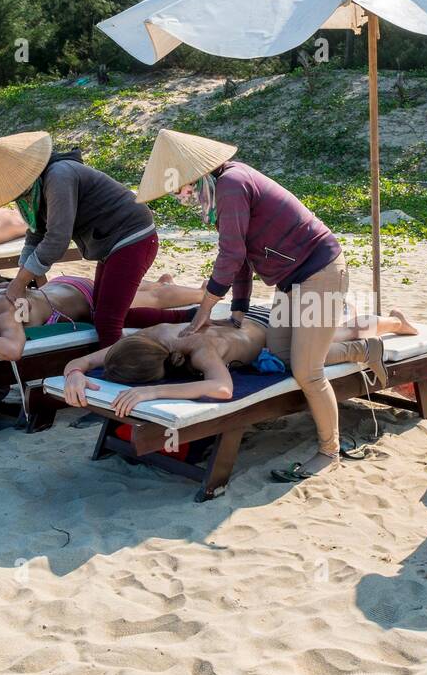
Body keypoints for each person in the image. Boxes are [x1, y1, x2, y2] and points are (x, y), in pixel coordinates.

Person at [134, 129, 370, 482]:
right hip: (291, 280)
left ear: (196, 175)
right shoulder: (221, 191)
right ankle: (362, 348)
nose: (181, 196)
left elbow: (230, 256)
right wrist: (238, 310)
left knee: (308, 371)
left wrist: (203, 313)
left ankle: (328, 451)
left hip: (320, 272)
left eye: (181, 187)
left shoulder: (231, 185)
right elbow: (241, 257)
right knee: (280, 356)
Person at [60, 304, 416, 419]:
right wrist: (74, 374)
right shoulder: (149, 338)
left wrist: (152, 393)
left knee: (342, 333)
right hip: (245, 319)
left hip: (274, 326)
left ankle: (395, 323)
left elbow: (222, 388)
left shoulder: (200, 349)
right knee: (337, 329)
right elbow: (85, 360)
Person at [0, 132, 157, 351]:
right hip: (110, 243)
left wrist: (20, 282)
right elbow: (36, 233)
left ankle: (115, 371)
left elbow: (57, 239)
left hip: (131, 236)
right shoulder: (35, 189)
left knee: (107, 322)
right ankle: (188, 316)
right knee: (103, 313)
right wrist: (22, 275)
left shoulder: (59, 177)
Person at [0, 274, 206, 361]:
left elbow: (13, 349)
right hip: (60, 287)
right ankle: (170, 283)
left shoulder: (2, 312)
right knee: (147, 291)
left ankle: (204, 292)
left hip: (84, 298)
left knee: (152, 298)